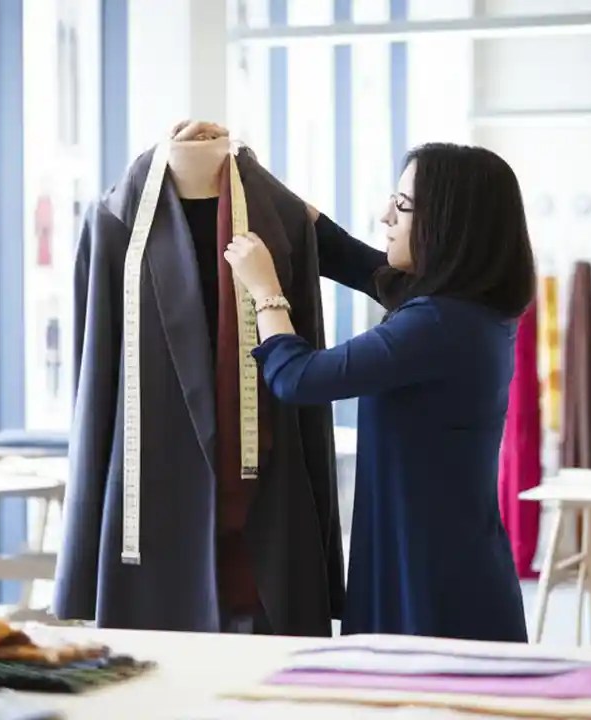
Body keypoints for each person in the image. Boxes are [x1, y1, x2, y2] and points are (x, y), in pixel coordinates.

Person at [224, 142, 535, 641]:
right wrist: (255, 183)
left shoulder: (438, 323)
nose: (385, 215)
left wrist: (265, 291)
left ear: (447, 225)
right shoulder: (472, 308)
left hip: (428, 575)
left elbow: (299, 378)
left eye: (404, 206)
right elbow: (348, 256)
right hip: (443, 555)